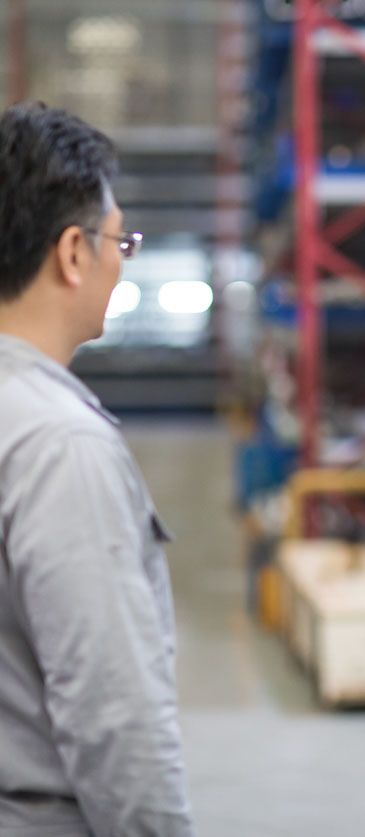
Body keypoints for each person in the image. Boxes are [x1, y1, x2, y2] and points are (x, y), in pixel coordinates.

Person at [0, 103, 194, 835]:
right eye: (123, 240)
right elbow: (112, 714)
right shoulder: (58, 445)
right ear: (73, 252)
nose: (123, 259)